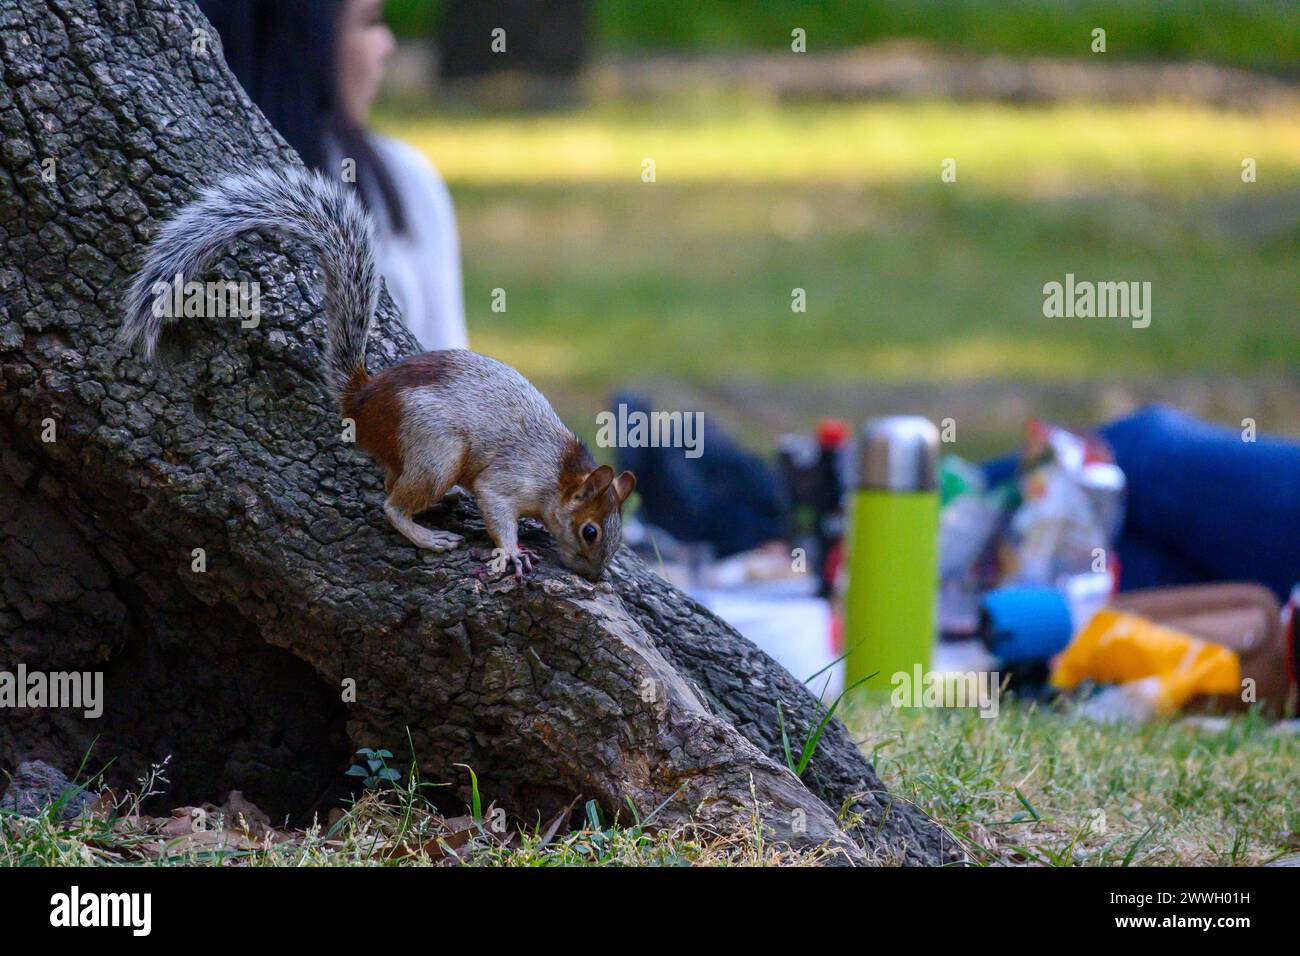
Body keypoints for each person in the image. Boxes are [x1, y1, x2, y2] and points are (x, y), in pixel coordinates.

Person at [197, 0, 467, 350]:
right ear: (304, 37)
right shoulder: (401, 178)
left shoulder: (400, 178)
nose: (387, 44)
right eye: (370, 21)